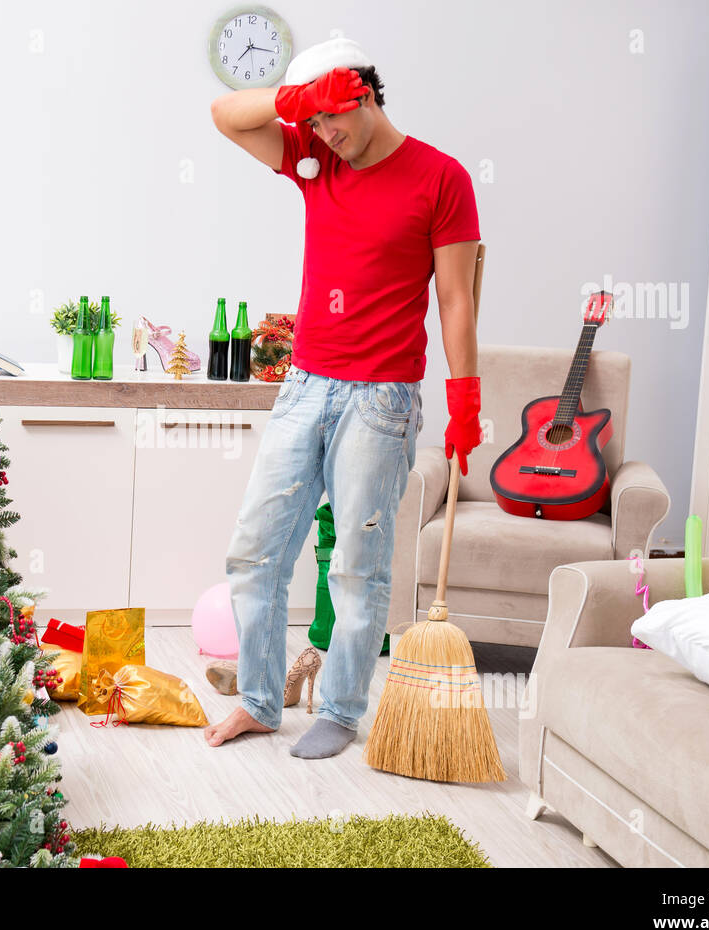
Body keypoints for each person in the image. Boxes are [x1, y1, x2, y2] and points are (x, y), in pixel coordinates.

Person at [203, 37, 483, 758]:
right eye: (314, 123)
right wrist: (296, 102)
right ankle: (263, 701)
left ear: (364, 94)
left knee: (357, 567)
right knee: (255, 553)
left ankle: (342, 708)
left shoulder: (441, 178)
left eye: (334, 119)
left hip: (381, 400)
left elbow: (455, 298)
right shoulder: (313, 160)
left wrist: (465, 398)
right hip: (304, 386)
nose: (325, 136)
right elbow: (226, 114)